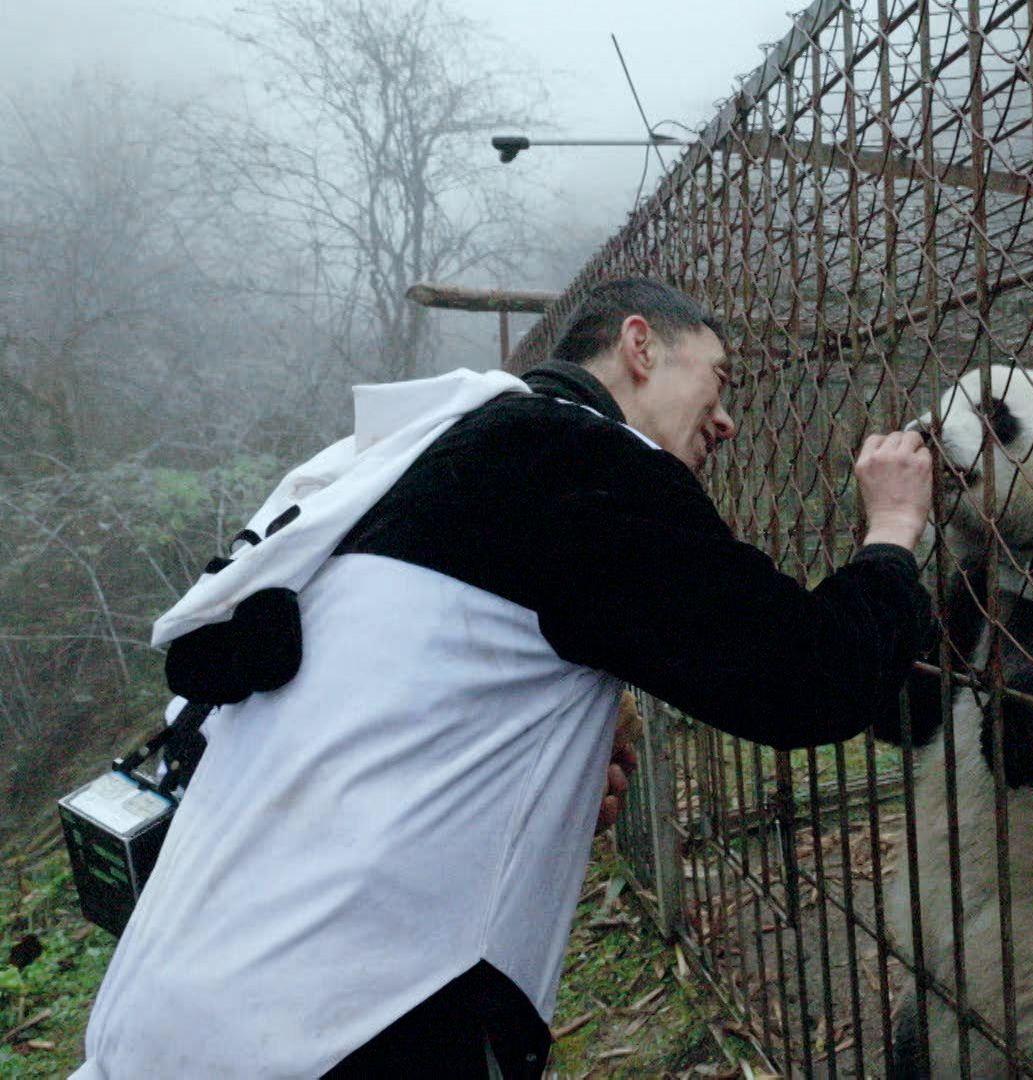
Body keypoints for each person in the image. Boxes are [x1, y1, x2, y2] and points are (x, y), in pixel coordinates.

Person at [74, 277, 935, 1078]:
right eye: (718, 377)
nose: (728, 420)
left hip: (164, 1002)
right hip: (335, 1030)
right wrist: (894, 526)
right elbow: (813, 678)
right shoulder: (577, 461)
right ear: (640, 346)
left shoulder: (407, 460)